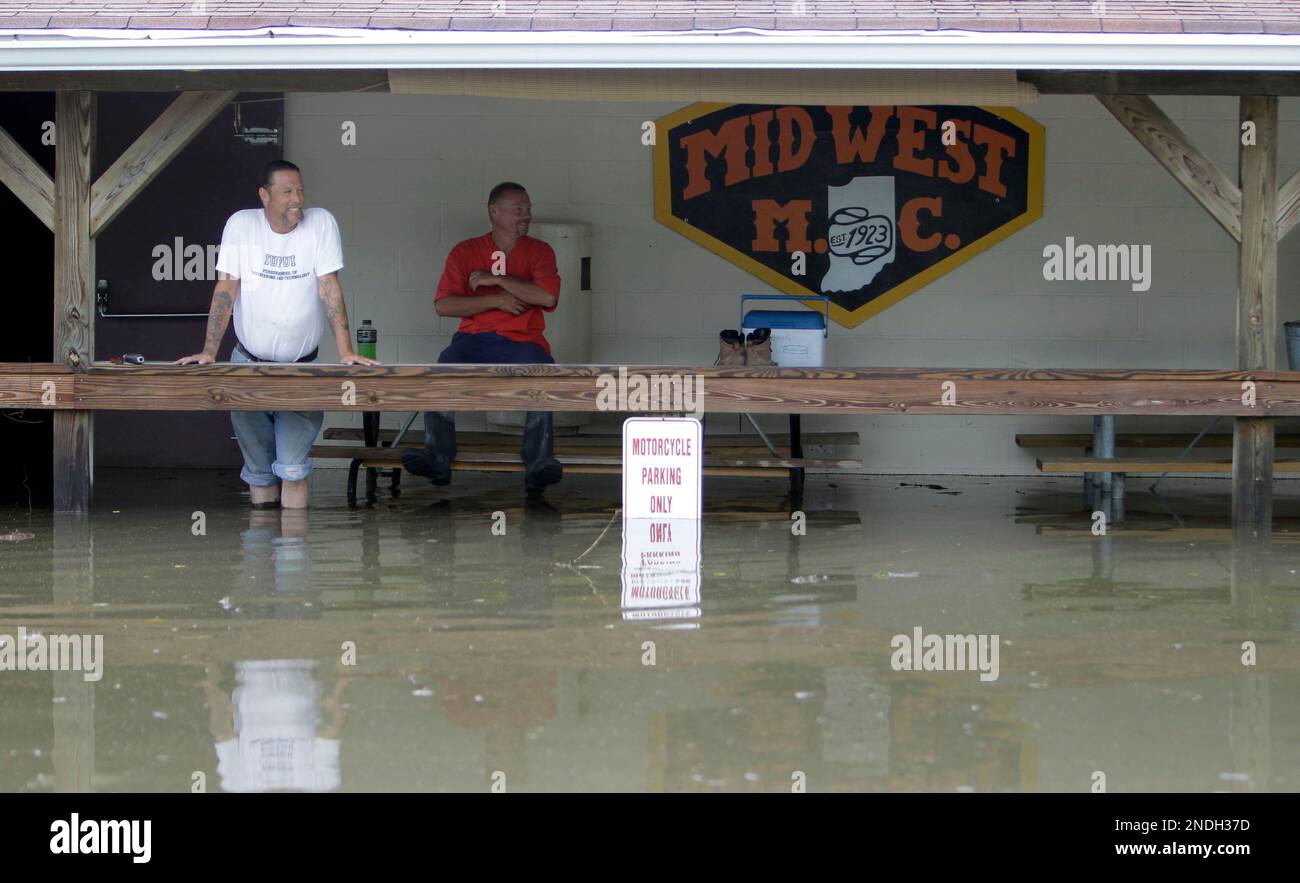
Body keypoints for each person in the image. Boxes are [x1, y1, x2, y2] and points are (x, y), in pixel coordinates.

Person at [177, 160, 377, 509]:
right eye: (287, 192)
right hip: (247, 366)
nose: (297, 198)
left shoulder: (321, 223)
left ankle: (292, 560)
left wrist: (346, 351)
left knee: (293, 468)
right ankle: (260, 558)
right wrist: (209, 351)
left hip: (302, 370)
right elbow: (226, 290)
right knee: (258, 472)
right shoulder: (241, 224)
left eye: (300, 190)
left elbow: (330, 288)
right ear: (264, 195)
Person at [403, 182, 563, 497]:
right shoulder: (465, 251)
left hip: (522, 341)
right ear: (494, 212)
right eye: (518, 209)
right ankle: (438, 458)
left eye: (528, 209)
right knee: (443, 368)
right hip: (472, 341)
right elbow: (443, 305)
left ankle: (537, 463)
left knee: (544, 372)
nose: (526, 216)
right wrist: (495, 301)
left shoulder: (539, 250)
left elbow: (546, 296)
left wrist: (495, 280)